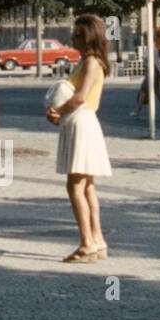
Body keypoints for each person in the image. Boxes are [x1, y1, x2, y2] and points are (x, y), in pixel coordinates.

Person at [45, 14, 112, 263]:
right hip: (83, 122)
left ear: (89, 37)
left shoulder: (92, 62)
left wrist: (58, 111)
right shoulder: (88, 61)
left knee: (75, 186)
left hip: (81, 122)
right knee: (87, 187)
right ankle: (97, 240)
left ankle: (87, 243)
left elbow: (81, 97)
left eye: (78, 34)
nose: (73, 38)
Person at [132, 44, 160, 120]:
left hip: (153, 72)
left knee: (143, 90)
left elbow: (157, 62)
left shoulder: (152, 48)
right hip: (150, 71)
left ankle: (137, 111)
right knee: (157, 92)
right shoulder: (148, 47)